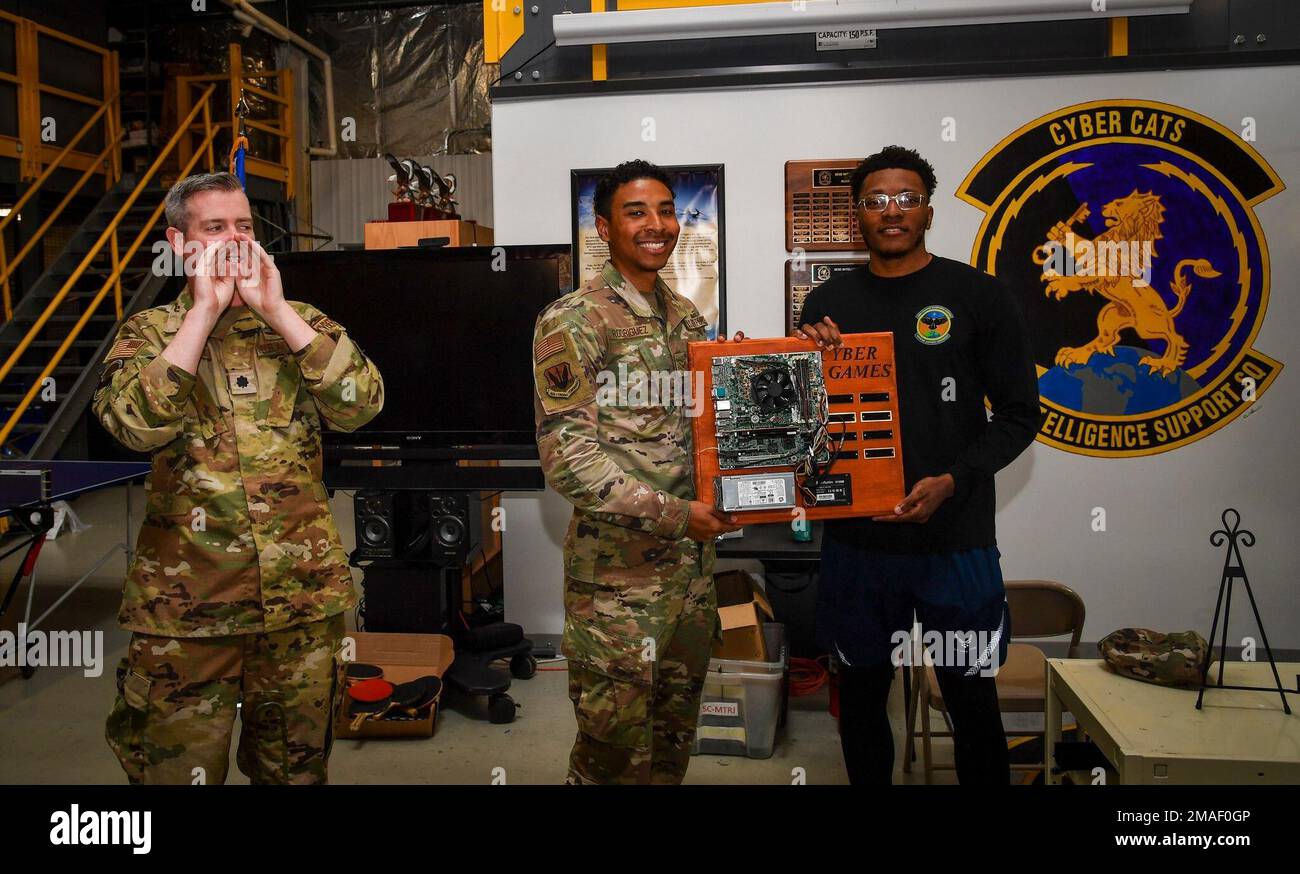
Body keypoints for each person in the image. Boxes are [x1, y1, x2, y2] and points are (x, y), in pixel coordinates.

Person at [95, 171, 384, 784]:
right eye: (215, 228)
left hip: (299, 606)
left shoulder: (299, 324)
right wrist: (200, 315)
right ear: (179, 244)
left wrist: (278, 311)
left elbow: (362, 405)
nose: (236, 242)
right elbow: (132, 428)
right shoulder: (148, 334)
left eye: (246, 227)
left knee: (294, 774)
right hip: (187, 616)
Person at [794, 145, 1040, 785]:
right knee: (862, 700)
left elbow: (1019, 414)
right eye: (875, 201)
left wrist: (954, 480)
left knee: (971, 700)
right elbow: (799, 423)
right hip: (857, 542)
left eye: (905, 198)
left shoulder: (979, 295)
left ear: (928, 209)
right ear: (857, 217)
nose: (891, 211)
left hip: (953, 542)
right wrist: (799, 362)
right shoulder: (827, 300)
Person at [532, 159, 742, 784]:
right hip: (619, 586)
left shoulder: (686, 318)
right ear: (603, 227)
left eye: (666, 210)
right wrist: (681, 515)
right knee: (613, 757)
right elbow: (568, 459)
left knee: (672, 749)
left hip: (691, 581)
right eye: (636, 212)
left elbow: (697, 433)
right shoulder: (575, 319)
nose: (657, 225)